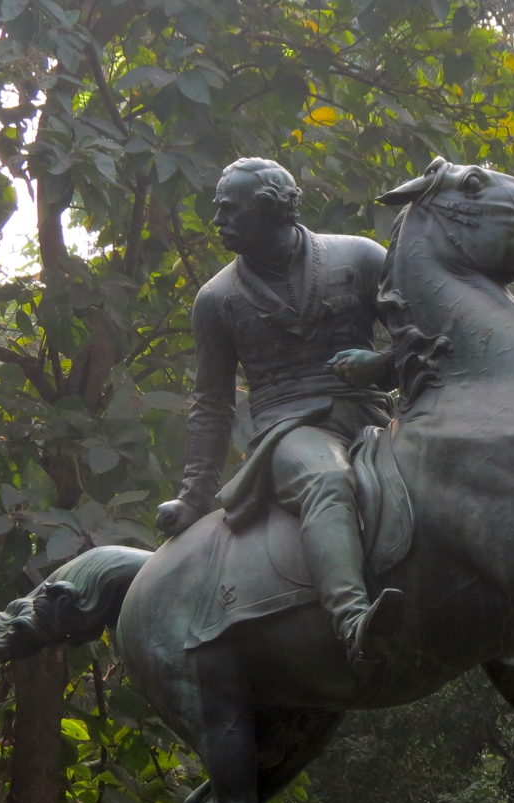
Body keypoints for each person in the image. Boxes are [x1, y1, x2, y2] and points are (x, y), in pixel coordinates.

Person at [154, 157, 403, 664]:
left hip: (377, 418)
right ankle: (352, 621)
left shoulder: (358, 257)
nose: (217, 220)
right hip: (290, 432)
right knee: (327, 482)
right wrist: (194, 497)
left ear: (269, 211)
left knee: (454, 487)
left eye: (228, 210)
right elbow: (212, 405)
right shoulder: (216, 299)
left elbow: (425, 340)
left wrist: (382, 365)